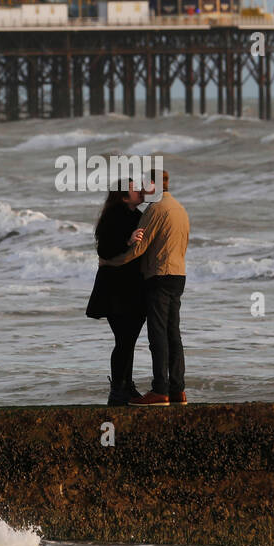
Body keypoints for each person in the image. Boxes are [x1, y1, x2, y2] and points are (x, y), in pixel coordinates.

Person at [100, 169, 189, 405]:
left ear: (153, 185)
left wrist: (111, 261)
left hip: (159, 277)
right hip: (178, 275)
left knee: (158, 335)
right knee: (173, 335)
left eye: (143, 184)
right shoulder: (179, 208)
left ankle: (160, 391)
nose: (141, 189)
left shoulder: (155, 209)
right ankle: (177, 390)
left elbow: (138, 250)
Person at [85, 181, 148, 406]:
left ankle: (126, 386)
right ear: (123, 197)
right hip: (115, 290)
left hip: (133, 288)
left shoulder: (138, 215)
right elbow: (104, 250)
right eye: (134, 189)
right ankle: (118, 389)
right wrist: (128, 241)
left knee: (128, 339)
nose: (140, 190)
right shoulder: (113, 216)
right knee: (124, 339)